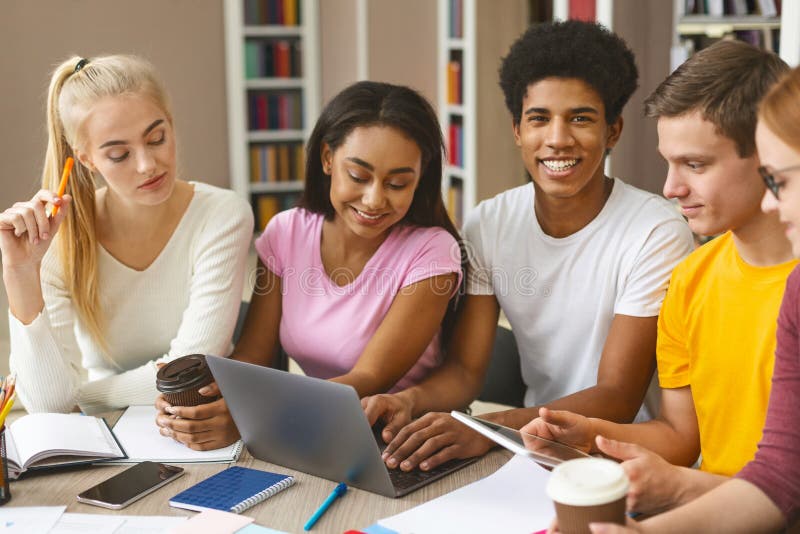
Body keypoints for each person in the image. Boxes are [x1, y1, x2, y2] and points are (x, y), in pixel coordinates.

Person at [360, 19, 694, 473]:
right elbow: (465, 371)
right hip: (528, 450)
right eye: (539, 118)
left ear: (613, 131)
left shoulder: (655, 232)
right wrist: (408, 400)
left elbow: (617, 396)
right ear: (517, 129)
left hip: (623, 458)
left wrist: (488, 428)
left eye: (580, 118)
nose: (557, 138)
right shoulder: (489, 223)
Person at [524, 40, 795, 517]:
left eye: (695, 164)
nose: (671, 188)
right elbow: (680, 435)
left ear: (766, 156)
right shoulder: (690, 279)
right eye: (669, 163)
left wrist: (683, 489)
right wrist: (593, 435)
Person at [155, 81, 466, 450]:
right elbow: (256, 355)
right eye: (359, 176)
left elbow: (369, 376)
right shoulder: (286, 232)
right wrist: (200, 400)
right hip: (311, 429)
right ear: (327, 159)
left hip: (399, 439)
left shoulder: (433, 251)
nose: (374, 199)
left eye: (397, 183)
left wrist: (253, 416)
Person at [2, 55, 253, 414]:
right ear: (87, 160)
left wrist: (82, 397)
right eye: (119, 154)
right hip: (106, 424)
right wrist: (20, 272)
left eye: (157, 138)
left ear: (171, 123)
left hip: (200, 414)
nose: (147, 164)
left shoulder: (223, 215)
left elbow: (190, 369)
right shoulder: (59, 237)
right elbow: (48, 404)